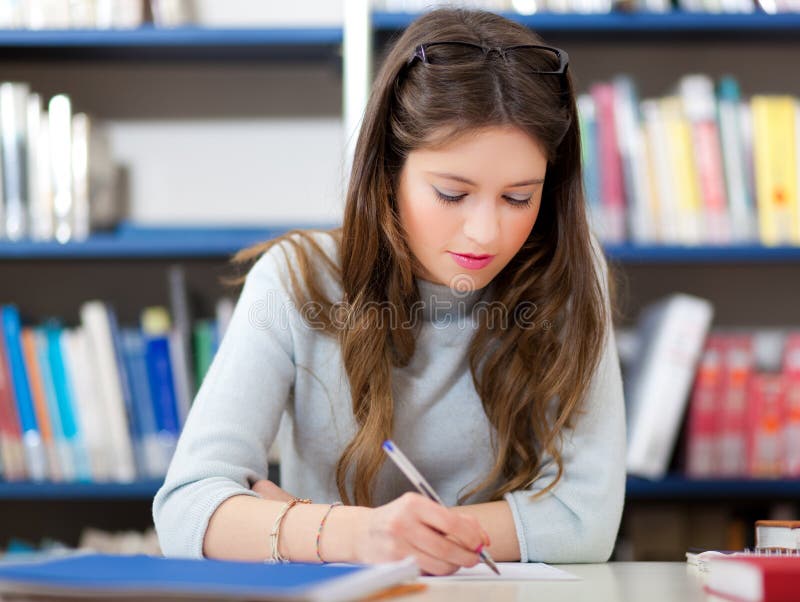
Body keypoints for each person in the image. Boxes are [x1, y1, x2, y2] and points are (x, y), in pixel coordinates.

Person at [152, 7, 625, 575]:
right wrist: (363, 534)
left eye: (519, 198)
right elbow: (186, 508)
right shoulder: (294, 278)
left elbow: (586, 522)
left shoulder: (566, 276)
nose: (486, 232)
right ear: (388, 172)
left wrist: (302, 521)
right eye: (452, 194)